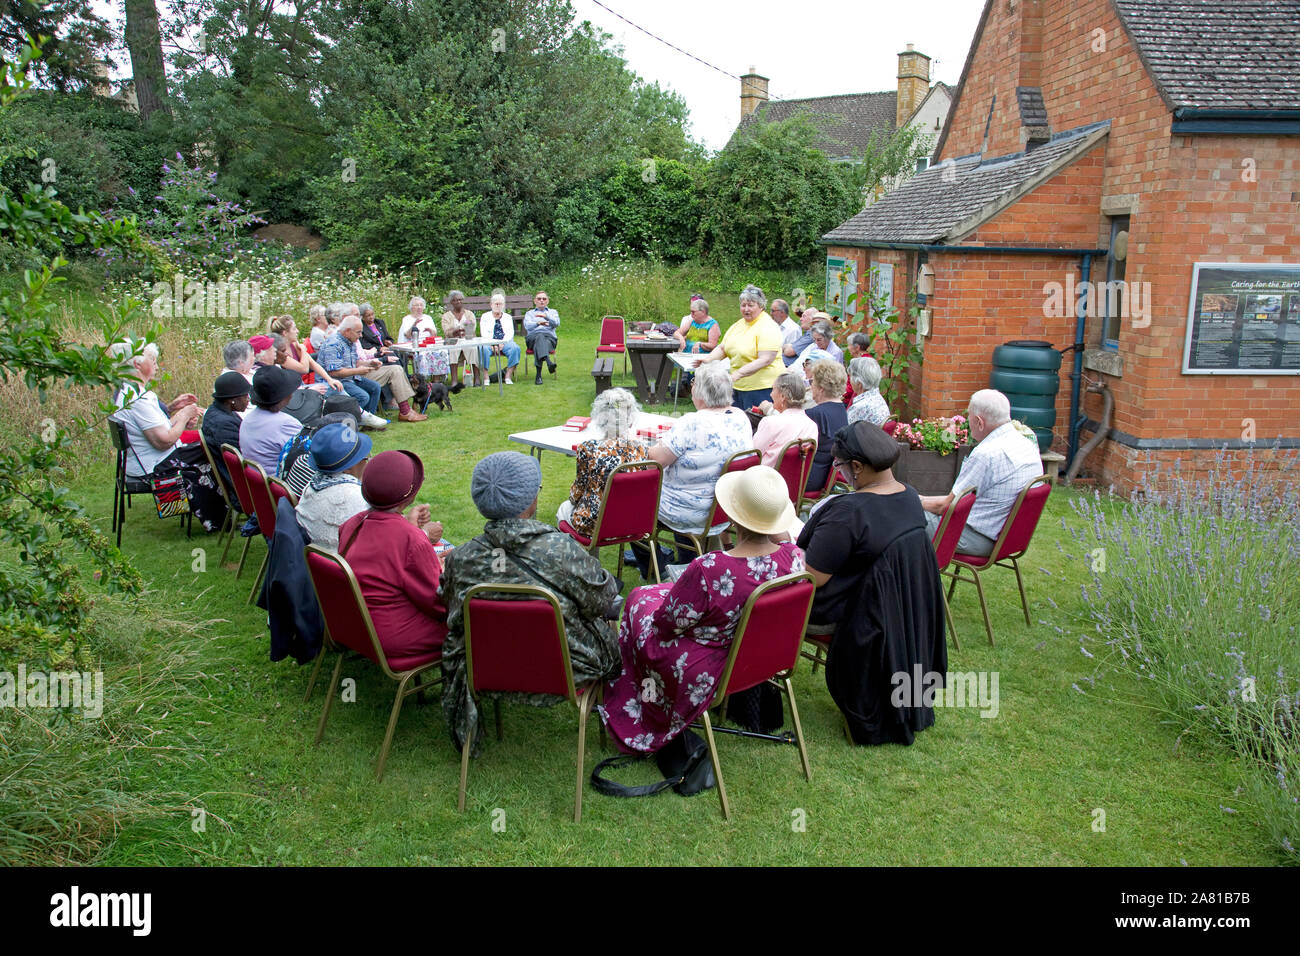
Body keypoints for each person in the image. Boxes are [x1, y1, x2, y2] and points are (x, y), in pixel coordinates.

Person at [600, 466, 805, 755]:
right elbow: (784, 544)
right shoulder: (795, 560)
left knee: (637, 601)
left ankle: (638, 698)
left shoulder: (711, 568)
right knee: (649, 595)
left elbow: (665, 625)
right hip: (759, 658)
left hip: (706, 668)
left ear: (734, 515)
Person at [438, 451, 621, 753]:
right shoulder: (560, 549)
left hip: (486, 666)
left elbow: (448, 605)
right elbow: (603, 600)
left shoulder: (461, 558)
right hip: (569, 667)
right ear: (528, 501)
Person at [797, 421, 946, 745]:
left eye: (839, 466)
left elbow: (813, 577)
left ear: (857, 467)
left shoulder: (849, 512)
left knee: (756, 594)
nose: (840, 474)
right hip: (894, 611)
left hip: (848, 612)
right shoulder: (907, 496)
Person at [630, 362, 752, 575]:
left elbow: (655, 460)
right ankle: (685, 560)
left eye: (694, 383)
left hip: (689, 512)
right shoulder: (741, 418)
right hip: (724, 507)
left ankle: (655, 569)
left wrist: (646, 443)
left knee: (631, 508)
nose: (691, 386)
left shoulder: (691, 422)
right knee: (683, 489)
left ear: (701, 392)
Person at [335, 449, 449, 665]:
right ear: (410, 494)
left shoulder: (353, 523)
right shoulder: (410, 540)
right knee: (471, 623)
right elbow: (438, 604)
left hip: (354, 626)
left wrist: (411, 528)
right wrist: (442, 569)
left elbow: (383, 563)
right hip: (392, 636)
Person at [109, 342, 225, 532]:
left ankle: (218, 512)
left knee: (207, 445)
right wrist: (185, 415)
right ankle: (219, 516)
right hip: (154, 465)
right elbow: (163, 441)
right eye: (152, 360)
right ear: (137, 365)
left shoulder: (128, 391)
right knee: (214, 449)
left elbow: (156, 427)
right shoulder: (136, 399)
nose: (156, 365)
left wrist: (177, 414)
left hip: (143, 459)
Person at [918, 388, 1042, 557]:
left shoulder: (986, 454)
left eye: (968, 417)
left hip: (976, 538)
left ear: (979, 422)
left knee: (899, 515)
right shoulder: (1027, 443)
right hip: (1007, 537)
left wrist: (910, 500)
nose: (966, 424)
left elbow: (946, 506)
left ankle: (902, 579)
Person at [555, 388, 647, 538]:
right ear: (629, 419)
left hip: (595, 526)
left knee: (564, 507)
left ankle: (575, 559)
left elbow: (576, 494)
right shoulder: (640, 449)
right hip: (630, 523)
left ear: (600, 418)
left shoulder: (588, 448)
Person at [317, 315, 424, 424]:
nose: (361, 335)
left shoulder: (350, 341)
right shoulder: (334, 343)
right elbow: (334, 372)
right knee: (363, 396)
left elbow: (356, 363)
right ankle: (358, 421)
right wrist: (359, 371)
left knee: (378, 384)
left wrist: (370, 363)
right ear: (348, 331)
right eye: (358, 332)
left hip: (352, 377)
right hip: (336, 382)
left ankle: (370, 421)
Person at [697, 284, 782, 410]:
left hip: (762, 389)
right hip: (736, 386)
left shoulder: (768, 326)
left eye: (751, 305)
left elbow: (766, 359)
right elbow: (723, 348)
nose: (746, 309)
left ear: (761, 306)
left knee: (755, 425)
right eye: (743, 305)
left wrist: (738, 374)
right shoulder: (738, 325)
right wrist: (707, 360)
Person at [295, 421, 372, 552]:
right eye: (365, 458)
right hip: (348, 567)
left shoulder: (312, 484)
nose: (369, 460)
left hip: (318, 563)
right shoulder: (357, 498)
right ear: (347, 468)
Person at [239, 366, 304, 474]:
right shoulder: (286, 424)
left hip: (260, 482)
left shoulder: (247, 420)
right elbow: (305, 458)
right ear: (285, 396)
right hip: (279, 485)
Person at [752, 372, 819, 469]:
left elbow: (752, 455)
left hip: (764, 480)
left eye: (773, 389)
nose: (771, 394)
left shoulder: (770, 422)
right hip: (796, 482)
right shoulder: (812, 426)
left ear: (783, 396)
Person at [804, 360, 850, 493]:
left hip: (808, 478)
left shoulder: (814, 414)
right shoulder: (841, 409)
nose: (810, 386)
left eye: (813, 382)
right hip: (826, 476)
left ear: (821, 389)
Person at [202, 371, 250, 489]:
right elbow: (243, 461)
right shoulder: (224, 425)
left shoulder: (216, 411)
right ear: (231, 400)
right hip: (242, 490)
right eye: (245, 396)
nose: (248, 400)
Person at [269, 314, 343, 390]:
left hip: (301, 385)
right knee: (333, 390)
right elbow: (304, 369)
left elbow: (312, 364)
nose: (297, 331)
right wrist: (303, 350)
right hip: (292, 389)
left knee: (336, 386)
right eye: (294, 329)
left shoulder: (294, 344)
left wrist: (329, 379)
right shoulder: (279, 353)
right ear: (285, 333)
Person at [396, 295, 452, 387]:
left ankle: (436, 381)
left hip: (428, 343)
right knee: (423, 354)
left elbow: (434, 334)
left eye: (421, 305)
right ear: (411, 307)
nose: (419, 307)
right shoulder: (407, 319)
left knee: (441, 351)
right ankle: (422, 380)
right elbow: (407, 335)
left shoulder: (427, 318)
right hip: (414, 345)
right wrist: (414, 324)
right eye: (416, 305)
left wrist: (430, 330)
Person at [477, 292, 522, 385]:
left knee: (515, 348)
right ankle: (486, 377)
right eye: (496, 303)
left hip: (505, 342)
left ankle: (508, 375)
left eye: (500, 304)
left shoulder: (508, 317)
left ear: (503, 305)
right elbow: (484, 333)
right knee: (483, 349)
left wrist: (502, 344)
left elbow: (510, 333)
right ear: (491, 305)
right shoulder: (485, 316)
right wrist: (493, 344)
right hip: (488, 343)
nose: (498, 306)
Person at [441, 290, 480, 388]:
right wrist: (455, 331)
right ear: (451, 302)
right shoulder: (446, 316)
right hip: (452, 340)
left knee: (473, 348)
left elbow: (472, 328)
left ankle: (477, 378)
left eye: (460, 300)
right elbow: (446, 331)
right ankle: (454, 380)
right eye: (455, 300)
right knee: (453, 349)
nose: (458, 302)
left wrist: (465, 331)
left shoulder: (469, 314)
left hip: (467, 339)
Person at [523, 290, 560, 385]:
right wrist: (537, 323)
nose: (542, 301)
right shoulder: (529, 313)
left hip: (549, 339)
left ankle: (538, 376)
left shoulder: (553, 312)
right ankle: (548, 362)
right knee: (539, 336)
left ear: (547, 301)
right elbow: (527, 326)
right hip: (532, 338)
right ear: (535, 301)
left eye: (544, 299)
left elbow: (556, 323)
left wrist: (546, 317)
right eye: (539, 299)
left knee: (539, 344)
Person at [846, 356, 891, 426]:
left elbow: (844, 432)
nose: (849, 381)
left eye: (850, 377)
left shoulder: (859, 407)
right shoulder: (877, 398)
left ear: (859, 383)